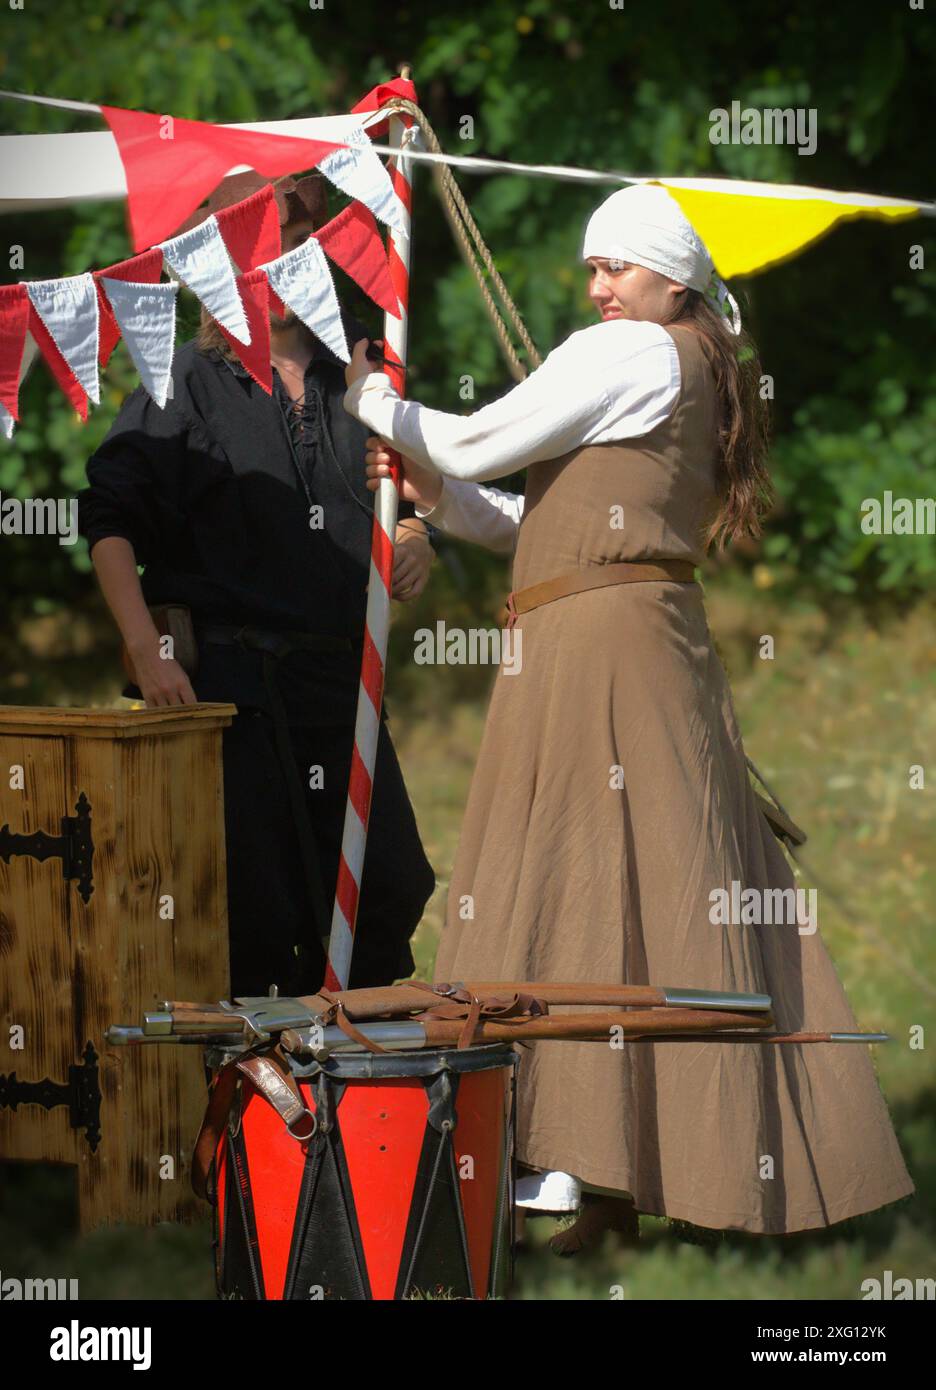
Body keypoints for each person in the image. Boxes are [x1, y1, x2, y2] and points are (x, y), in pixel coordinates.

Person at [342, 184, 915, 1252]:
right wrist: (431, 483)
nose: (598, 287)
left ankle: (603, 1164)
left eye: (617, 266)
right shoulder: (676, 360)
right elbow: (528, 521)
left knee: (584, 887)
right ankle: (600, 1176)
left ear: (673, 278)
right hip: (613, 643)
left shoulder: (638, 353)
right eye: (592, 269)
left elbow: (473, 440)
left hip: (603, 656)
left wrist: (370, 397)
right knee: (622, 895)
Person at [78, 170, 436, 999]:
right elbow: (109, 522)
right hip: (233, 697)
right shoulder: (183, 382)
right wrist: (146, 649)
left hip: (342, 687)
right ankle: (259, 1078)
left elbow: (415, 491)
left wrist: (418, 535)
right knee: (257, 913)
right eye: (254, 255)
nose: (274, 270)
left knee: (386, 889)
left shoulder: (366, 374)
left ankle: (360, 1066)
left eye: (295, 247)